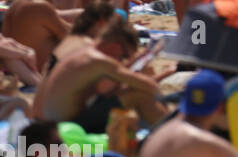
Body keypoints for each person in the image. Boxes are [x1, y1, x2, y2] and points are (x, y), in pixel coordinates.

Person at [32, 16, 165, 131]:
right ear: (116, 46)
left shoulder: (85, 52)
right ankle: (167, 127)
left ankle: (163, 127)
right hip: (66, 125)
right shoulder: (98, 60)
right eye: (123, 56)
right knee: (139, 95)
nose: (120, 60)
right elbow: (148, 85)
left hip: (56, 120)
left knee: (128, 90)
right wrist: (162, 98)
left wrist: (138, 61)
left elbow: (107, 86)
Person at [1, 0, 70, 72]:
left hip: (14, 71)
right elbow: (69, 37)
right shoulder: (40, 6)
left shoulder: (15, 5)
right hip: (42, 72)